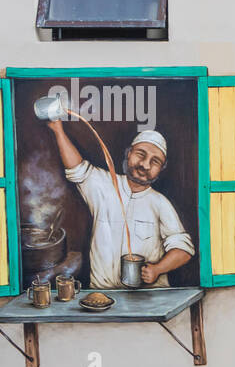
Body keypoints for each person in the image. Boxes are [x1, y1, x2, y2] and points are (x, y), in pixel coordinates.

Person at [46, 121, 195, 289]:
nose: (145, 165)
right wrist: (58, 130)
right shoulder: (103, 185)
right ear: (129, 153)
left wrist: (157, 269)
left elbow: (183, 250)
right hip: (103, 296)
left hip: (149, 298)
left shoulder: (160, 203)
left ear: (161, 168)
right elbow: (77, 168)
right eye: (140, 154)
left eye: (155, 161)